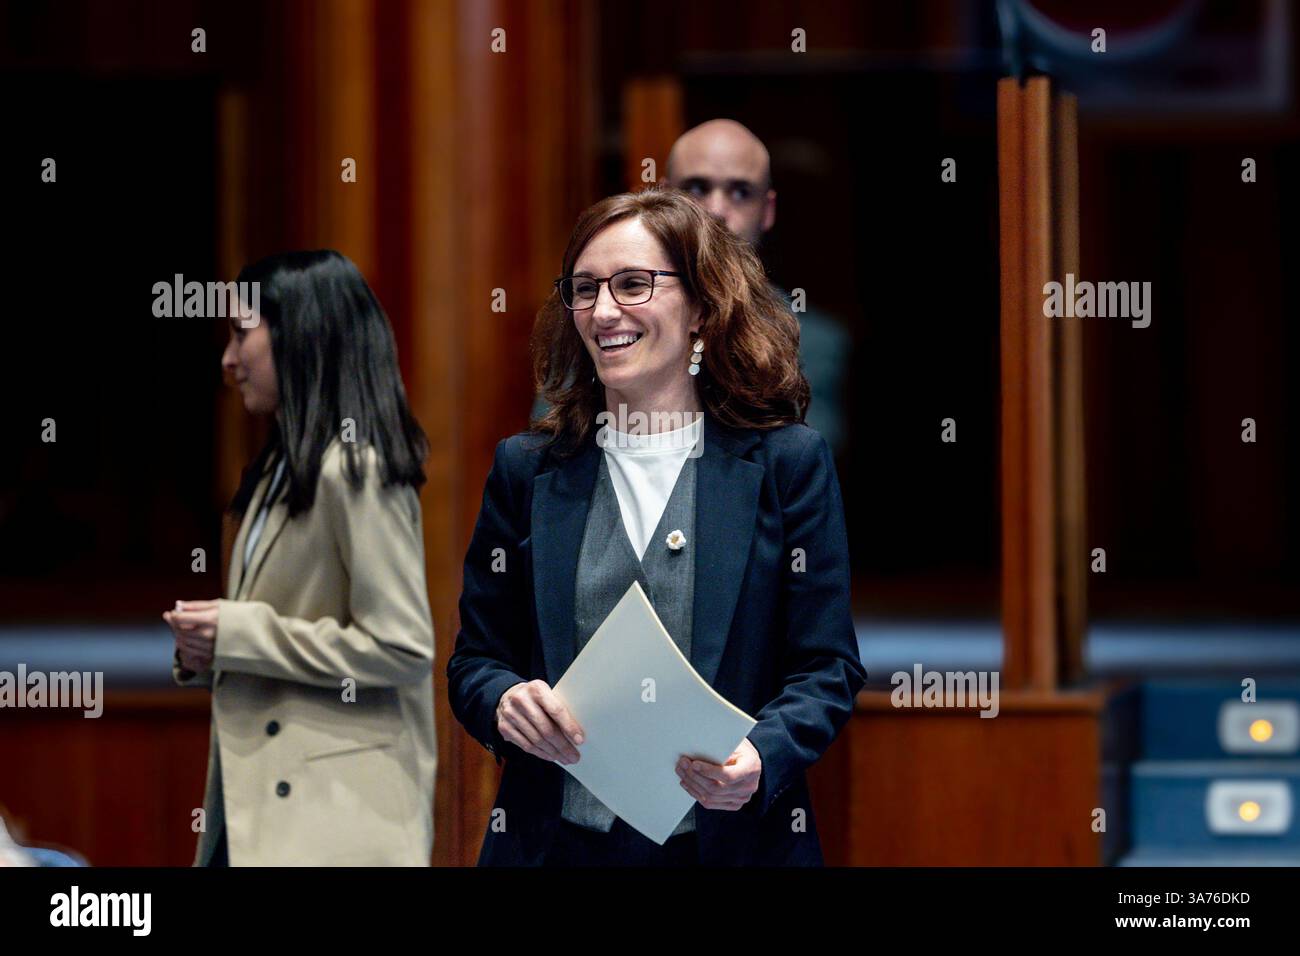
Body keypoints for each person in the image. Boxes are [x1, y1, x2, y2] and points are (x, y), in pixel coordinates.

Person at [448, 186, 867, 865]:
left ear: (702, 307)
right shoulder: (526, 468)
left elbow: (827, 667)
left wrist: (761, 755)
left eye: (633, 284)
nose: (603, 310)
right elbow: (475, 662)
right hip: (556, 848)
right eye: (583, 289)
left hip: (729, 848)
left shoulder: (788, 462)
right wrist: (504, 702)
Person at [165, 250, 436, 866]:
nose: (228, 359)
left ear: (301, 331)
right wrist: (209, 650)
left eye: (241, 333)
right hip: (265, 807)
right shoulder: (276, 471)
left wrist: (237, 632)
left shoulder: (357, 468)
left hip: (336, 822)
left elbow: (402, 645)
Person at [667, 118, 851, 456]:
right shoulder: (612, 319)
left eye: (740, 192)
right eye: (696, 188)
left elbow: (800, 472)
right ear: (663, 200)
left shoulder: (815, 343)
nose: (717, 210)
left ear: (767, 210)